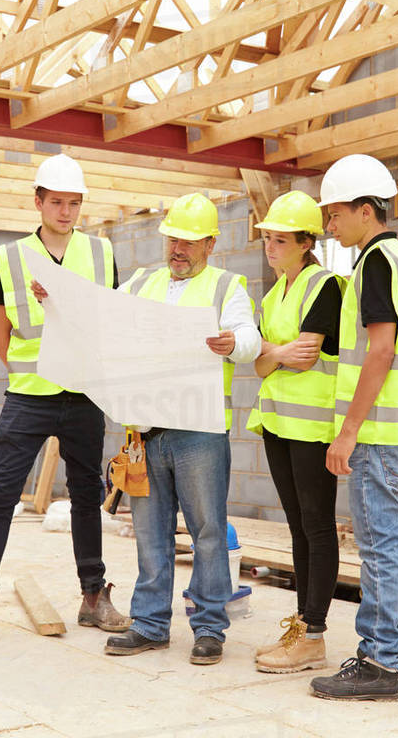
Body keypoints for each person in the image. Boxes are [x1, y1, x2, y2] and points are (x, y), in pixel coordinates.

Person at [0, 153, 131, 652]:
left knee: (85, 497)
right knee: (1, 496)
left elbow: (110, 322)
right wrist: (30, 374)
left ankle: (93, 596)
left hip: (83, 396)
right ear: (37, 201)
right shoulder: (9, 258)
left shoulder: (101, 252)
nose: (66, 212)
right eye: (57, 202)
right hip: (29, 395)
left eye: (75, 204)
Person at [103, 193, 261, 666]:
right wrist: (58, 302)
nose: (179, 248)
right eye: (174, 238)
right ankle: (150, 624)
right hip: (147, 432)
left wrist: (235, 342)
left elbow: (250, 339)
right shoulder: (140, 283)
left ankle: (209, 628)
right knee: (150, 534)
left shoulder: (225, 287)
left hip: (200, 433)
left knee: (207, 532)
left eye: (190, 241)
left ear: (211, 243)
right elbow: (102, 317)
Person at [309, 154, 398, 701]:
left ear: (366, 211)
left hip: (379, 436)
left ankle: (378, 662)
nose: (329, 225)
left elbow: (381, 351)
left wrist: (347, 432)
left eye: (336, 213)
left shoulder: (375, 264)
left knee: (382, 549)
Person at [245, 190, 342, 674]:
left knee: (318, 526)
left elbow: (305, 354)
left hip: (312, 426)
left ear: (306, 242)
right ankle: (303, 628)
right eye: (268, 238)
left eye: (280, 239)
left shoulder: (324, 286)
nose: (271, 246)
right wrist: (277, 354)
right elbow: (261, 367)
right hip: (278, 423)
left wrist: (273, 351)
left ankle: (315, 634)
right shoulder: (272, 294)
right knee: (298, 528)